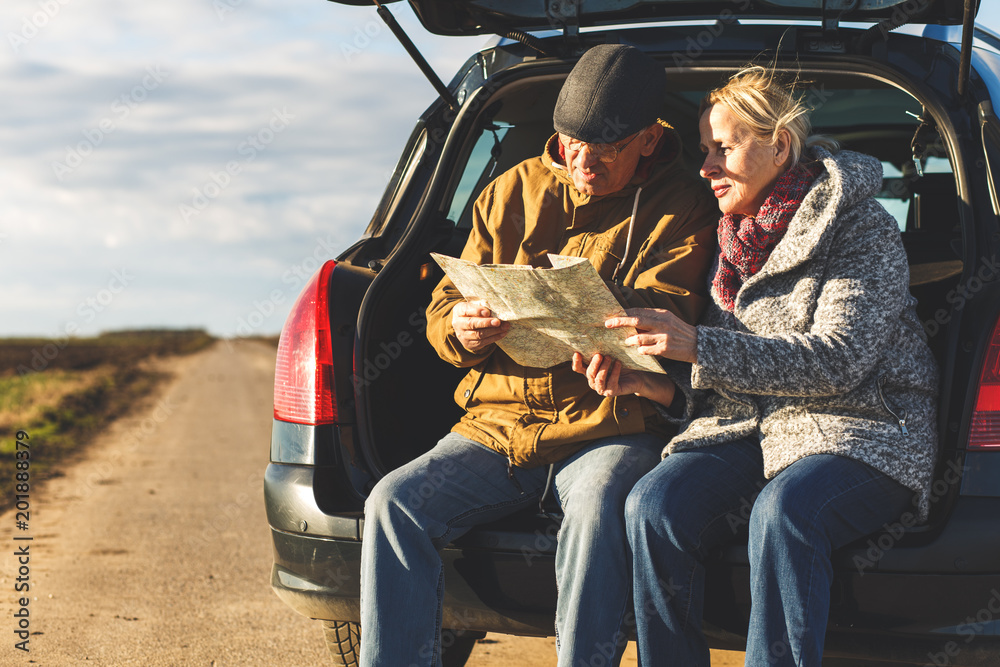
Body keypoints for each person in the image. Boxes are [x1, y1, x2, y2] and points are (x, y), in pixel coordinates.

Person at [359, 44, 719, 667]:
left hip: (609, 424)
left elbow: (673, 311)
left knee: (600, 506)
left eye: (605, 150)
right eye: (571, 144)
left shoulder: (684, 202)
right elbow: (447, 302)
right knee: (392, 504)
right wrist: (461, 329)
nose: (584, 162)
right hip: (495, 426)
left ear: (649, 139)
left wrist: (623, 345)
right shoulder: (507, 191)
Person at [572, 65, 939, 666]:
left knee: (783, 512)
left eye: (724, 147)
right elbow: (731, 387)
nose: (705, 166)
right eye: (702, 151)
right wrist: (659, 386)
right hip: (757, 433)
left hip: (865, 430)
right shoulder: (732, 238)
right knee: (652, 505)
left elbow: (839, 361)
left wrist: (699, 346)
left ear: (780, 144)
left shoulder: (863, 227)